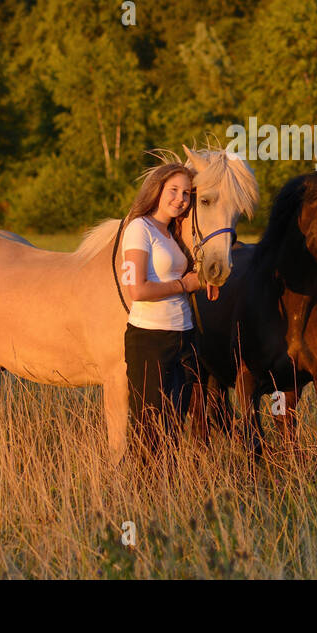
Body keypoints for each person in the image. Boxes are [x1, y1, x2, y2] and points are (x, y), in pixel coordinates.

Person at [119, 161, 215, 456]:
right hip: (150, 339)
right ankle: (142, 494)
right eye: (173, 190)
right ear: (157, 189)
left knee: (174, 424)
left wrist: (206, 280)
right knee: (148, 426)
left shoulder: (172, 234)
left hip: (183, 337)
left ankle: (169, 495)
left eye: (186, 193)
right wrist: (185, 285)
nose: (180, 199)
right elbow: (137, 290)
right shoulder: (139, 228)